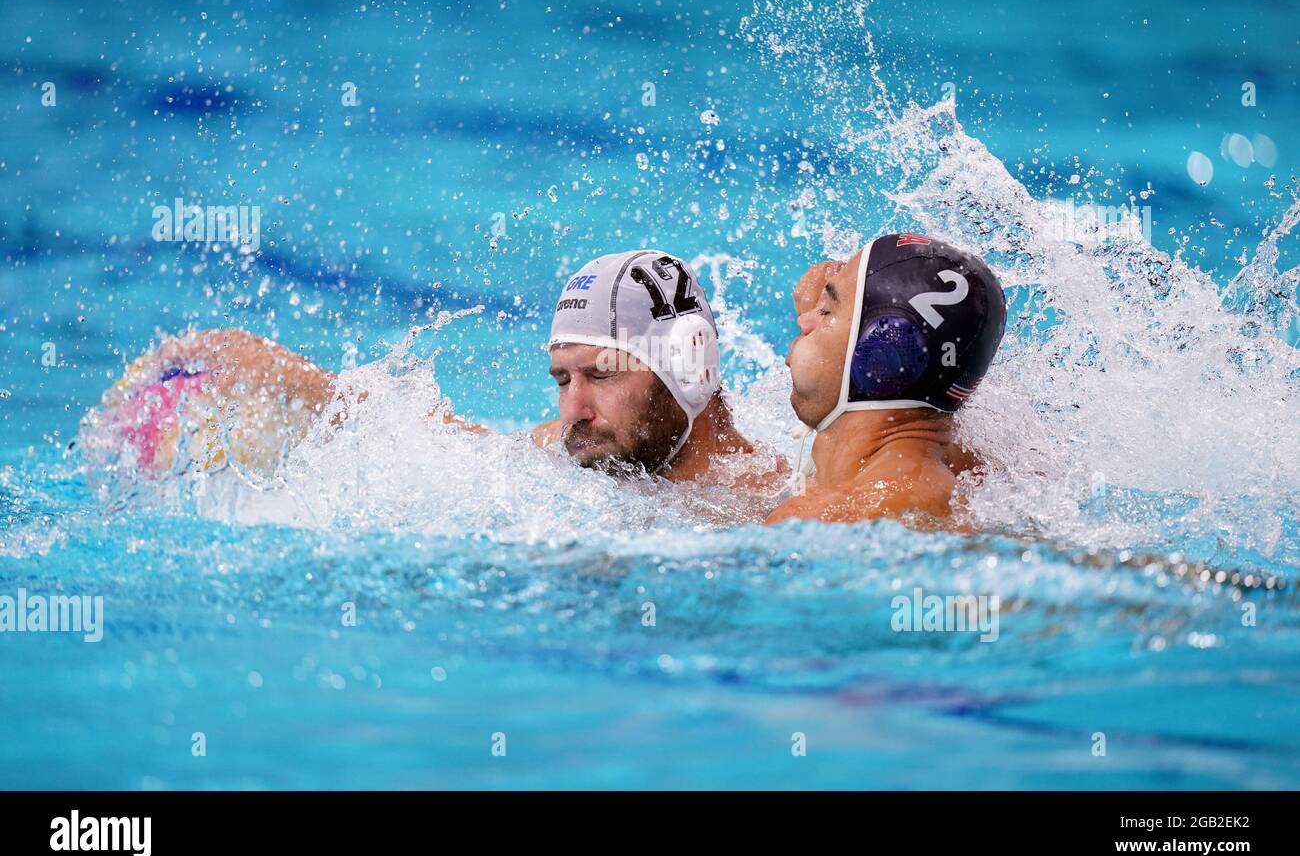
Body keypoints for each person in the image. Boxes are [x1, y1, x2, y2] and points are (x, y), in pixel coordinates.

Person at [85, 250, 784, 495]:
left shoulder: (779, 502)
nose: (573, 409)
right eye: (560, 379)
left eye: (599, 375)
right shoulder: (584, 457)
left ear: (688, 364)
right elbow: (449, 446)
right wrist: (286, 378)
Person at [765, 232, 1006, 526]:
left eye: (825, 310)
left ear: (882, 354)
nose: (803, 321)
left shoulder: (825, 520)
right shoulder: (971, 472)